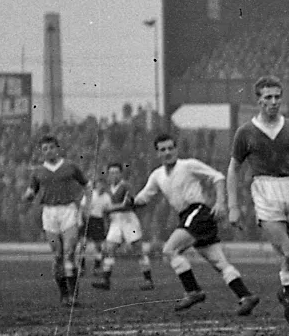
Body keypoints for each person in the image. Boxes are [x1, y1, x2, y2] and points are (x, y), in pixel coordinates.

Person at [228, 76, 289, 332]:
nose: (273, 102)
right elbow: (233, 169)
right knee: (288, 253)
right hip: (265, 189)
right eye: (268, 97)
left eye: (277, 97)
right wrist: (233, 205)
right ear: (258, 100)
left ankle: (287, 291)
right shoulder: (246, 132)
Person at [135, 133, 260, 315]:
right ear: (157, 154)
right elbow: (144, 196)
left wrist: (220, 202)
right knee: (219, 262)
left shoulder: (188, 165)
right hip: (190, 217)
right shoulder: (157, 175)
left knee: (170, 250)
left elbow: (217, 177)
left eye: (170, 148)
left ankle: (193, 290)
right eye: (163, 149)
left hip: (197, 212)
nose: (167, 152)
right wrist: (129, 202)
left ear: (176, 149)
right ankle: (245, 296)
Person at [23, 134, 89, 305]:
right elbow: (31, 191)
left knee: (69, 252)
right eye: (45, 149)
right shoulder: (38, 172)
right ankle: (63, 294)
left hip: (68, 210)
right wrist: (28, 196)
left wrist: (86, 204)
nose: (49, 151)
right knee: (57, 255)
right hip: (49, 213)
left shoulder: (70, 167)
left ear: (58, 149)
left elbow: (86, 185)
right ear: (41, 152)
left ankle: (73, 296)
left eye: (52, 147)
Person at [87, 161, 156, 290]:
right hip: (116, 220)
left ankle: (148, 280)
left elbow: (127, 204)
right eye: (111, 172)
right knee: (109, 249)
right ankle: (105, 280)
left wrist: (110, 208)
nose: (114, 175)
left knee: (138, 250)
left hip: (129, 219)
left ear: (121, 173)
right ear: (108, 174)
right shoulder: (107, 188)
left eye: (116, 172)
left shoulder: (126, 186)